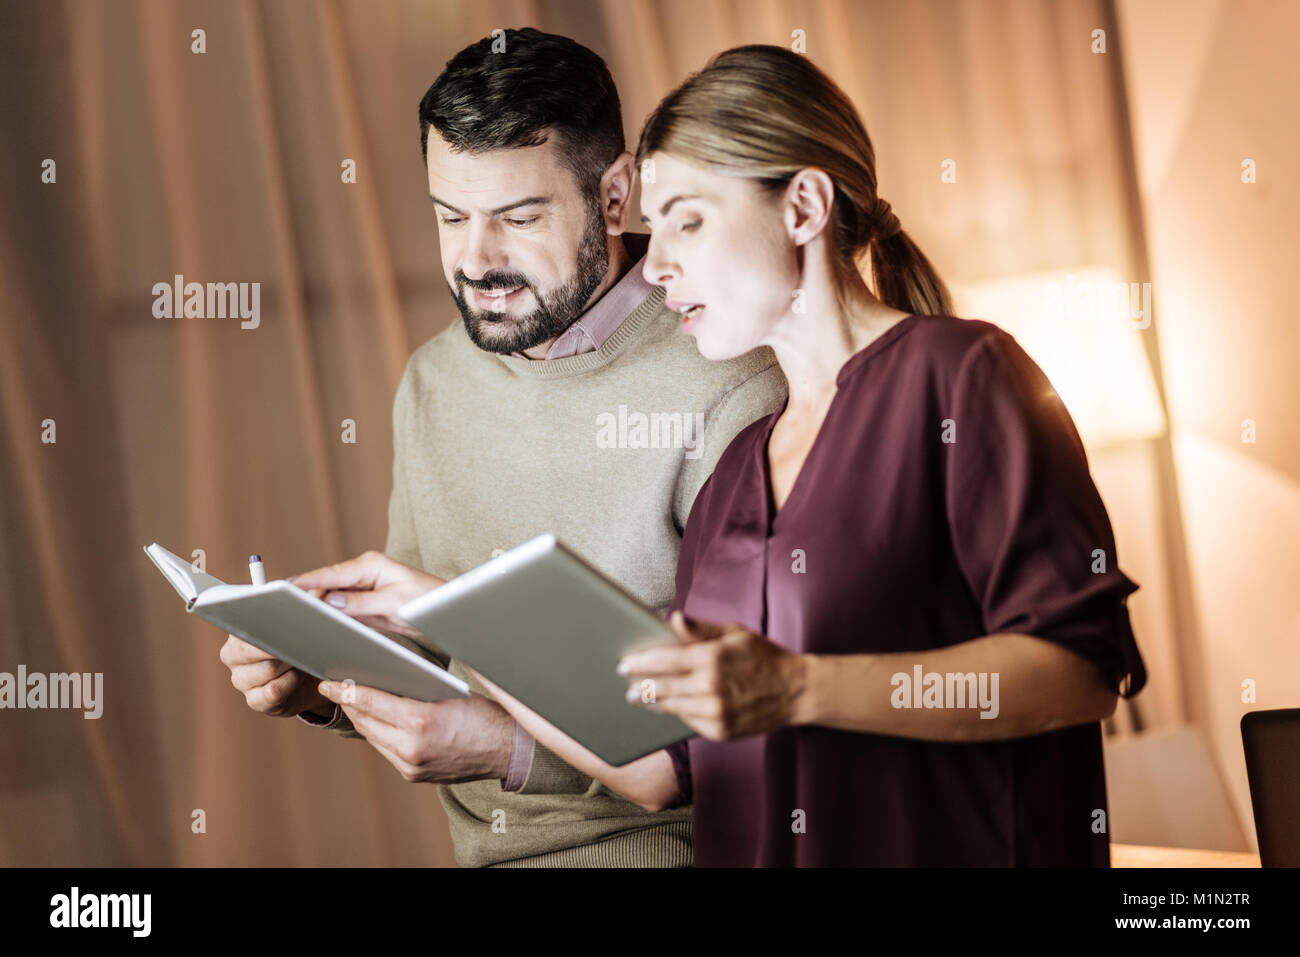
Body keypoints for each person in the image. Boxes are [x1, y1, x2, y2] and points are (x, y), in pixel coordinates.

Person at [469, 44, 1149, 866]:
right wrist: (449, 621)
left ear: (802, 207)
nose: (658, 263)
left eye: (688, 218)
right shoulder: (733, 474)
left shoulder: (960, 375)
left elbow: (1077, 670)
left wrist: (799, 689)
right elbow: (660, 768)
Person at [217, 28, 787, 868]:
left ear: (616, 192)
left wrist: (507, 754)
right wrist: (322, 679)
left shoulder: (727, 379)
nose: (477, 261)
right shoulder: (434, 379)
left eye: (519, 218)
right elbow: (424, 640)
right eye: (450, 216)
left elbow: (739, 742)